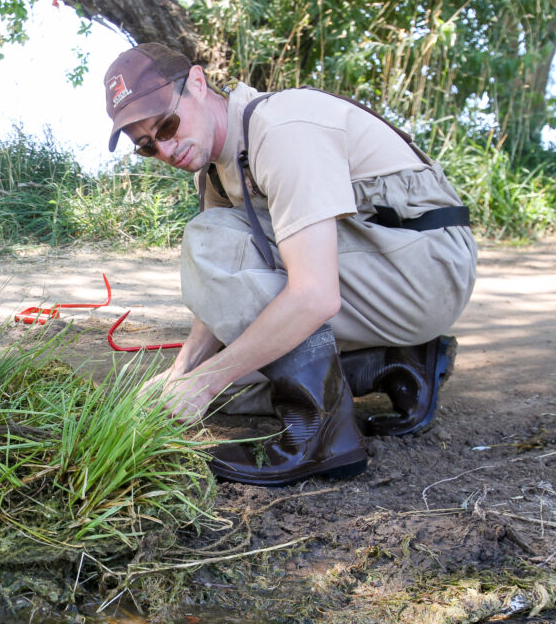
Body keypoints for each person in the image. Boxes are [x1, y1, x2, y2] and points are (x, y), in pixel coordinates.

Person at [103, 43, 477, 487]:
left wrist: (203, 381)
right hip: (386, 272)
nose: (165, 148)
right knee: (229, 390)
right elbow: (221, 288)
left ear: (198, 84)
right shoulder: (219, 167)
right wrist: (181, 375)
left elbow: (314, 294)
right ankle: (398, 362)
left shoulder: (281, 128)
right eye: (147, 146)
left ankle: (323, 438)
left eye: (167, 124)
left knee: (216, 335)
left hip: (426, 269)